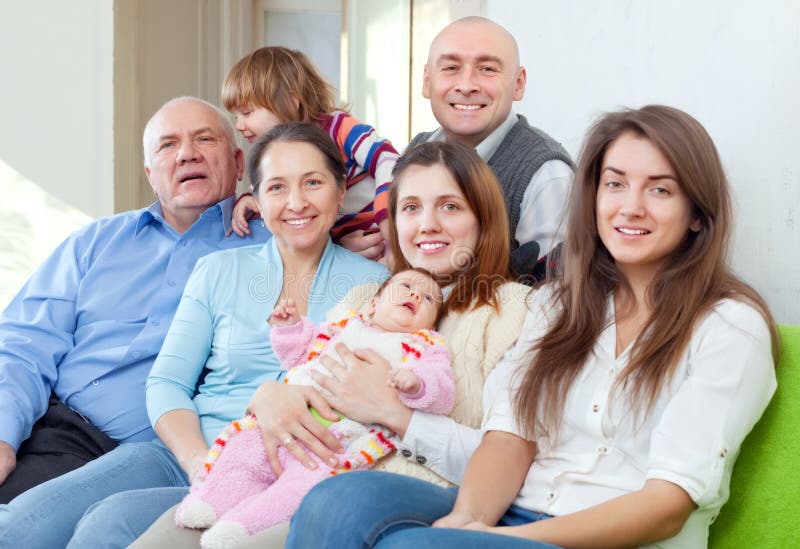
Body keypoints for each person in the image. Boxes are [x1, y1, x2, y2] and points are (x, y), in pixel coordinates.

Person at [287, 105, 779, 549]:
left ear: (697, 213)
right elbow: (509, 437)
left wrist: (502, 538)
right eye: (615, 184)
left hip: (599, 536)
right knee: (337, 502)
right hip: (513, 515)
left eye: (660, 189)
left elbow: (669, 504)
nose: (631, 206)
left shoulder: (731, 327)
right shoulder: (557, 305)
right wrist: (468, 520)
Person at [122, 140, 531, 549]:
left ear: (484, 217)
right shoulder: (365, 298)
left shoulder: (515, 311)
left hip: (374, 492)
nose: (427, 225)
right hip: (295, 464)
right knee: (162, 539)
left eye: (450, 207)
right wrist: (269, 395)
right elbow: (307, 365)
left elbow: (508, 460)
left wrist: (393, 413)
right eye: (410, 208)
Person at [0, 122, 389, 548]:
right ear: (256, 199)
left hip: (281, 471)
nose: (295, 202)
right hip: (183, 455)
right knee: (25, 521)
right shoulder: (220, 270)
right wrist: (200, 463)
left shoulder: (374, 287)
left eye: (312, 183)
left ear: (339, 191)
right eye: (277, 187)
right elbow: (167, 382)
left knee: (109, 523)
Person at [0, 96, 269, 503]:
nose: (186, 154)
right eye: (167, 145)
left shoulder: (275, 248)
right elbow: (23, 343)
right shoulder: (92, 244)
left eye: (204, 139)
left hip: (172, 457)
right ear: (150, 173)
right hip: (61, 436)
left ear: (237, 162)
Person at [174, 268, 452, 548]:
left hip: (336, 444)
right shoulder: (342, 328)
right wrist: (289, 328)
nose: (415, 294)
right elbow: (298, 355)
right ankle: (212, 501)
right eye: (405, 286)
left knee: (302, 488)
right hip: (289, 415)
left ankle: (243, 527)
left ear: (431, 325)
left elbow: (442, 390)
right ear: (373, 304)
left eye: (428, 298)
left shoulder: (425, 346)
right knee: (244, 452)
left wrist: (417, 384)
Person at [408, 16, 573, 277]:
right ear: (427, 81)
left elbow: (555, 297)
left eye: (487, 69)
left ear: (518, 84)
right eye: (451, 67)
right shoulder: (413, 154)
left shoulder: (547, 175)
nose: (466, 85)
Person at [224, 46, 399, 260]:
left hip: (387, 235)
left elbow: (388, 159)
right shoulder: (270, 156)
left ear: (291, 100)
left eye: (246, 113)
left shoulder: (339, 127)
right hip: (345, 253)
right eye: (236, 117)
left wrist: (386, 215)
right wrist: (250, 199)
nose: (239, 126)